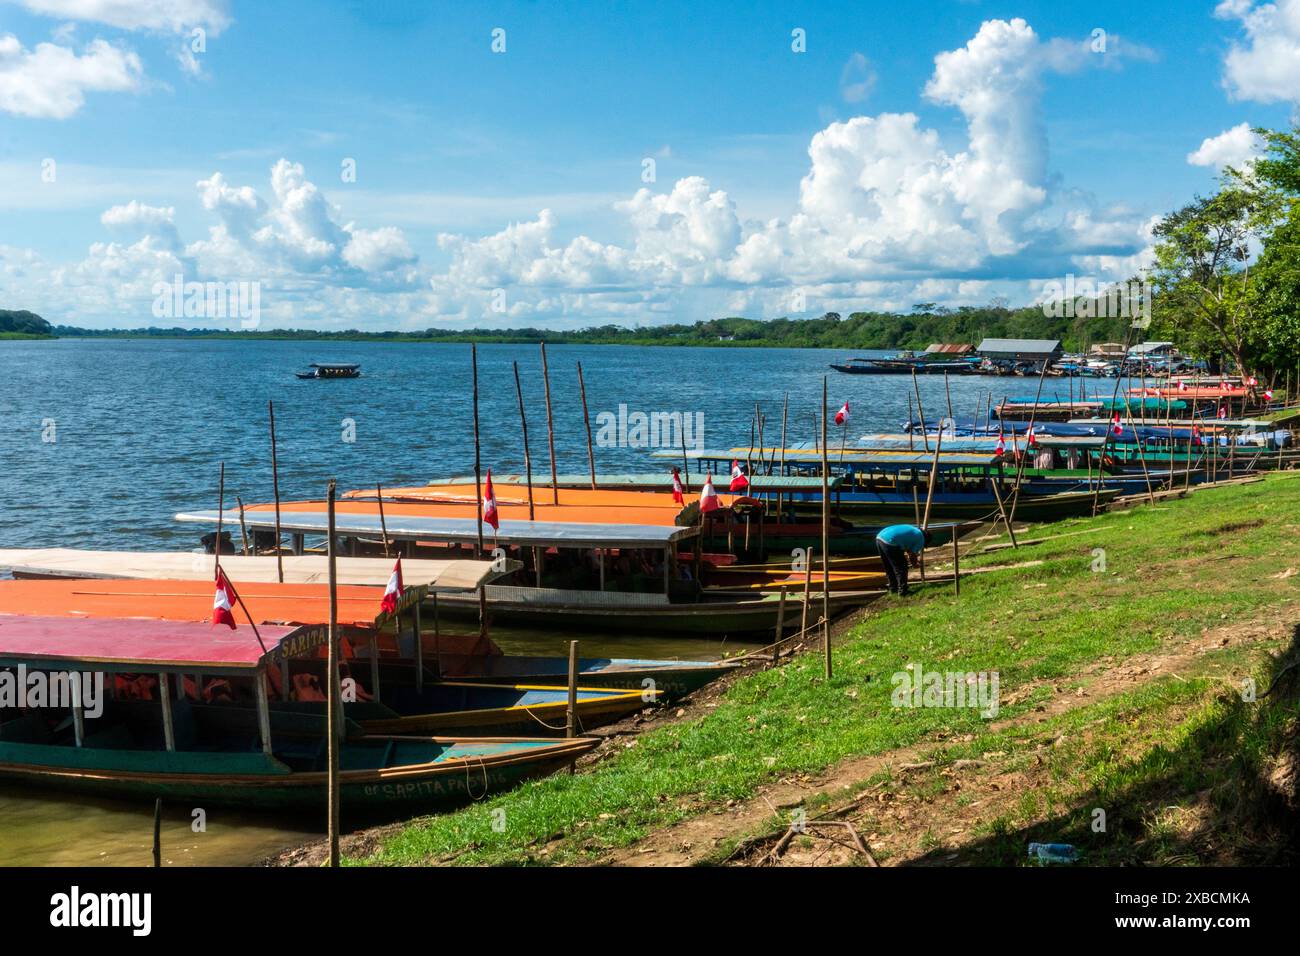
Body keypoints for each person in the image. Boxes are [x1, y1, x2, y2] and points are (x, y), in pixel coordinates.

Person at [875, 524, 933, 596]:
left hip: (880, 537)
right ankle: (903, 591)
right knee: (901, 567)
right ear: (926, 540)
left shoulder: (914, 531)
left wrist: (912, 557)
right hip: (890, 541)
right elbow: (912, 555)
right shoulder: (921, 538)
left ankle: (893, 588)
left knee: (889, 566)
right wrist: (915, 564)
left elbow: (908, 549)